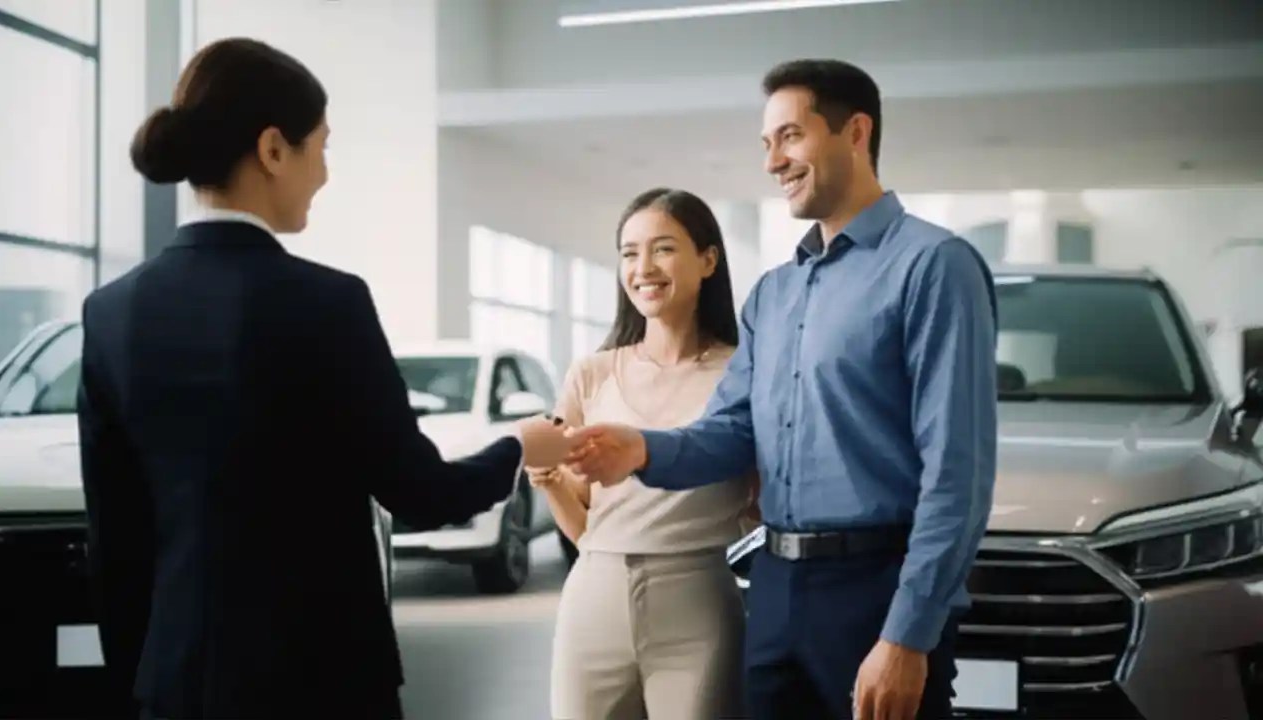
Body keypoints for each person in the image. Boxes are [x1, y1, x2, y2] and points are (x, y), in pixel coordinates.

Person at [77, 38, 571, 720]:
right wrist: (519, 447)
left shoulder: (111, 313)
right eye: (322, 148)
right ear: (274, 149)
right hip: (323, 678)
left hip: (178, 681)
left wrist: (146, 681)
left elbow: (116, 541)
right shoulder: (327, 302)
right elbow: (421, 494)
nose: (325, 173)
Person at [566, 59, 998, 720]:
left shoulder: (933, 267)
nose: (773, 161)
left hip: (875, 590)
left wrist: (908, 633)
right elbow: (733, 433)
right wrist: (640, 450)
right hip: (775, 589)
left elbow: (957, 474)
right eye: (766, 144)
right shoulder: (775, 293)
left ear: (855, 132)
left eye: (790, 136)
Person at [531, 188, 757, 720]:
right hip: (594, 600)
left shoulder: (743, 371)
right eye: (629, 253)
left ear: (707, 259)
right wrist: (549, 480)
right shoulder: (592, 372)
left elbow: (760, 497)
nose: (643, 268)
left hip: (698, 601)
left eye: (662, 249)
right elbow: (585, 528)